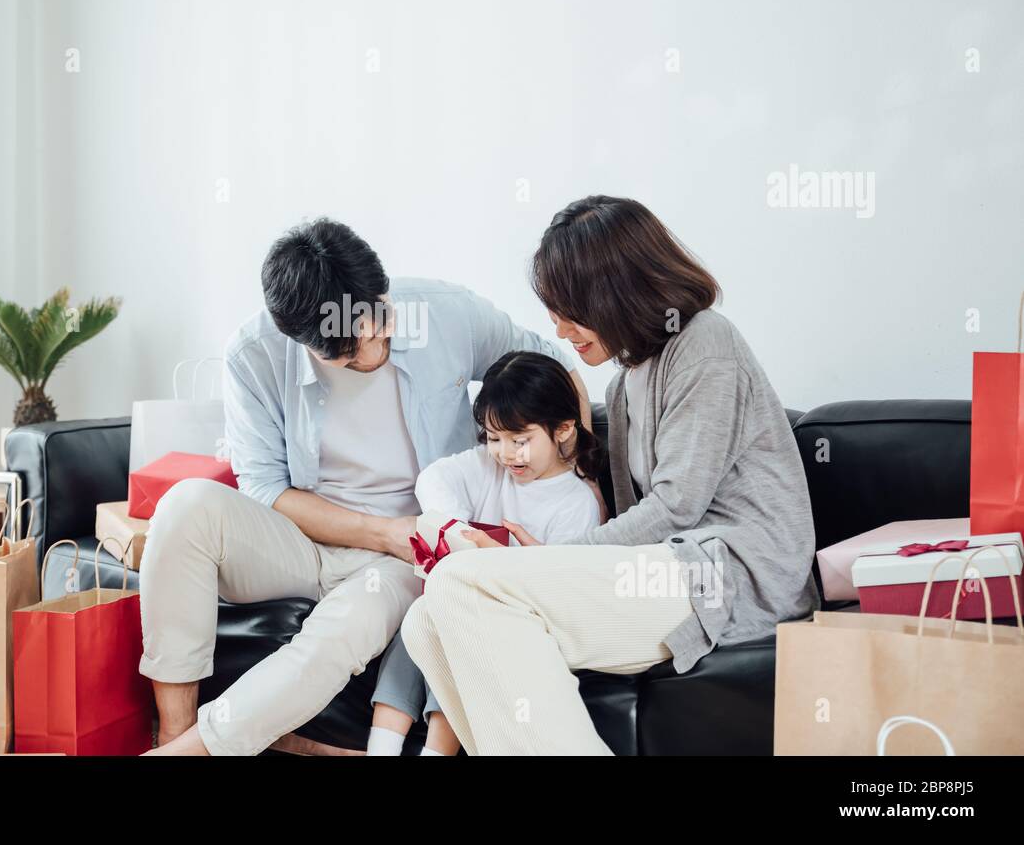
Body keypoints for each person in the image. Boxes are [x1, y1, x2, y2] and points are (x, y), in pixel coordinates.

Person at [138, 217, 587, 756]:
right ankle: (171, 728)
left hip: (405, 558)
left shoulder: (449, 314)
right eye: (350, 355)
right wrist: (380, 532)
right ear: (298, 340)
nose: (373, 353)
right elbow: (263, 488)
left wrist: (571, 471)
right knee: (184, 505)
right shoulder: (252, 354)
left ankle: (192, 751)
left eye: (381, 328)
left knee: (343, 630)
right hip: (299, 540)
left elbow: (556, 363)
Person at [401, 195, 821, 755]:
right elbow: (629, 518)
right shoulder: (624, 385)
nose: (556, 327)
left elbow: (675, 507)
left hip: (727, 575)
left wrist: (544, 561)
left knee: (461, 584)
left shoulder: (705, 344)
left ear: (616, 294)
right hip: (664, 569)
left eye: (568, 308)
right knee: (426, 620)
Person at [367, 350, 605, 756]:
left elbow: (560, 599)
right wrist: (458, 531)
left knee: (462, 637)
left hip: (514, 628)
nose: (507, 454)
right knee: (419, 622)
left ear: (564, 429)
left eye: (521, 440)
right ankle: (381, 747)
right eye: (495, 439)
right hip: (452, 608)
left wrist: (498, 562)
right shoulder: (489, 466)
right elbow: (434, 479)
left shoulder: (575, 504)